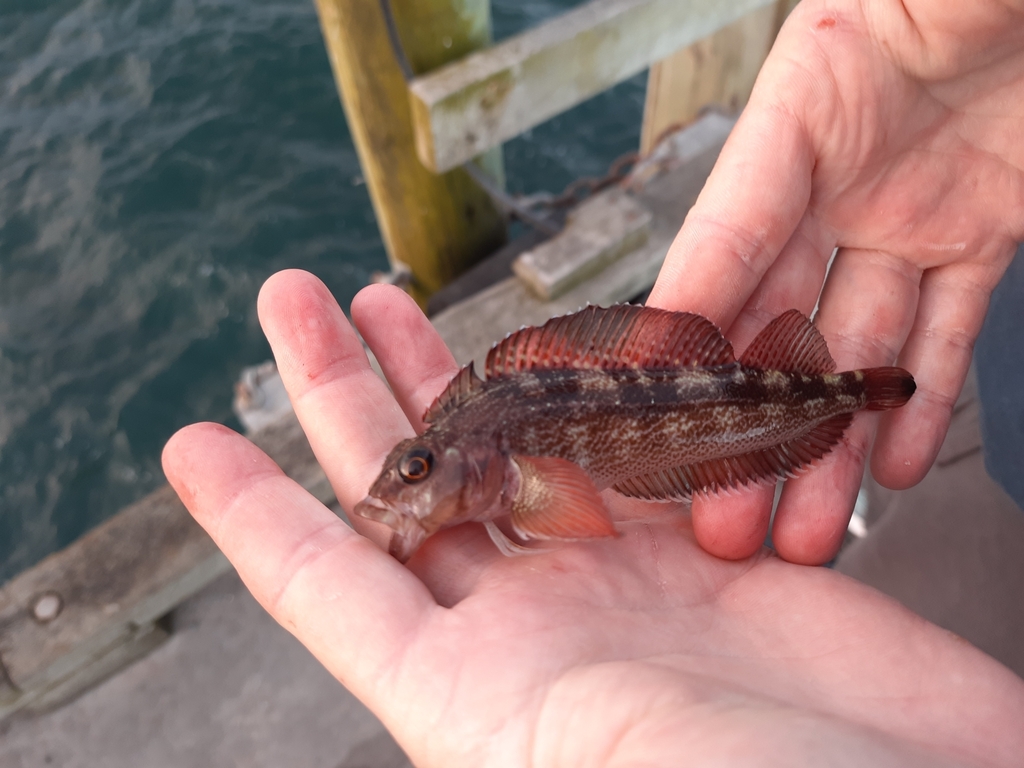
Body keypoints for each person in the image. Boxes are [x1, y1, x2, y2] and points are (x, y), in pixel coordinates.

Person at [162, 1, 1024, 764]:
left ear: (472, 456)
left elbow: (566, 506)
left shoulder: (499, 449)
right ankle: (852, 401)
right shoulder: (481, 441)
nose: (398, 490)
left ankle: (848, 397)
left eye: (416, 470)